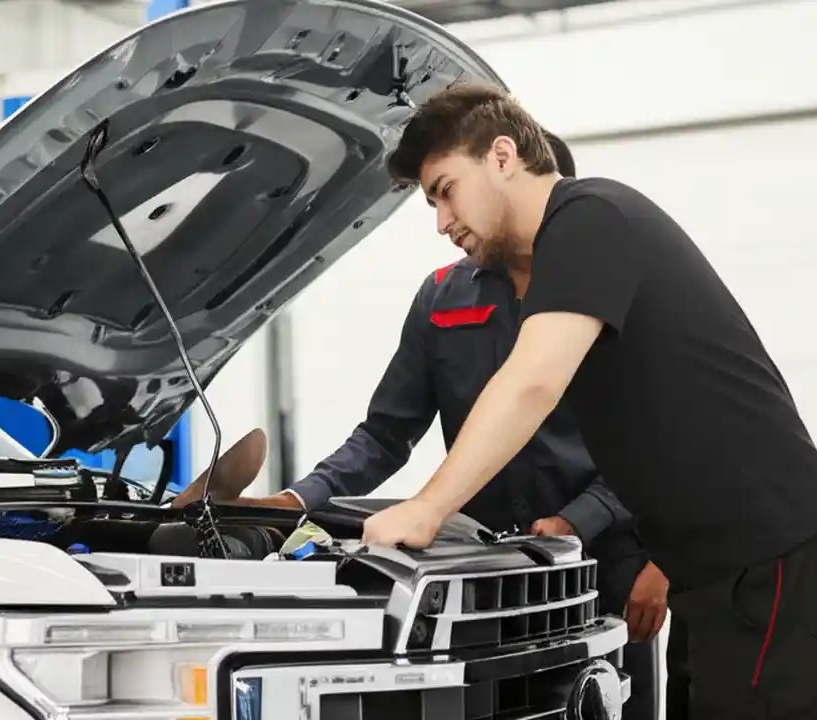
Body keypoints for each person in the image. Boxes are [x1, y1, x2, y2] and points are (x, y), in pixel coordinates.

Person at [358, 81, 817, 719]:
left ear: (502, 157)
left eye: (446, 190)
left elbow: (532, 380)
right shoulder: (561, 250)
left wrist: (427, 508)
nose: (442, 222)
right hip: (709, 563)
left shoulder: (590, 218)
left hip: (768, 546)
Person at [175, 133, 674, 720]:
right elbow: (385, 435)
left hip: (607, 570)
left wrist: (655, 561)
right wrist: (297, 499)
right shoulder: (440, 298)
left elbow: (659, 443)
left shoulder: (598, 290)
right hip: (485, 581)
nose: (443, 221)